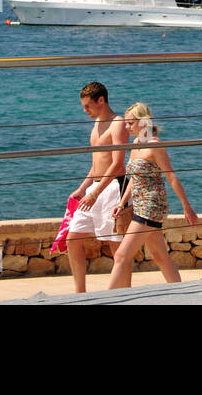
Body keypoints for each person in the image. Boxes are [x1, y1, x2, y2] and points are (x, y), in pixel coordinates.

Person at [107, 103, 200, 290]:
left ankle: (105, 298)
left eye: (130, 123)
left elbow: (171, 176)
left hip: (152, 205)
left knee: (121, 256)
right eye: (125, 123)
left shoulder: (155, 146)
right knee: (160, 256)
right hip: (139, 204)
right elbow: (134, 179)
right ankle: (180, 293)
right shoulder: (135, 144)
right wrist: (122, 202)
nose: (126, 127)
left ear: (143, 122)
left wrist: (186, 206)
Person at [65, 82, 128, 293]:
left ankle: (123, 293)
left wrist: (95, 192)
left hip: (112, 190)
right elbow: (96, 163)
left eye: (87, 106)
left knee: (116, 247)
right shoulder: (96, 124)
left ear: (101, 100)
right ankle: (79, 293)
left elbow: (117, 164)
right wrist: (83, 188)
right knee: (72, 239)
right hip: (94, 188)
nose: (85, 111)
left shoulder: (117, 123)